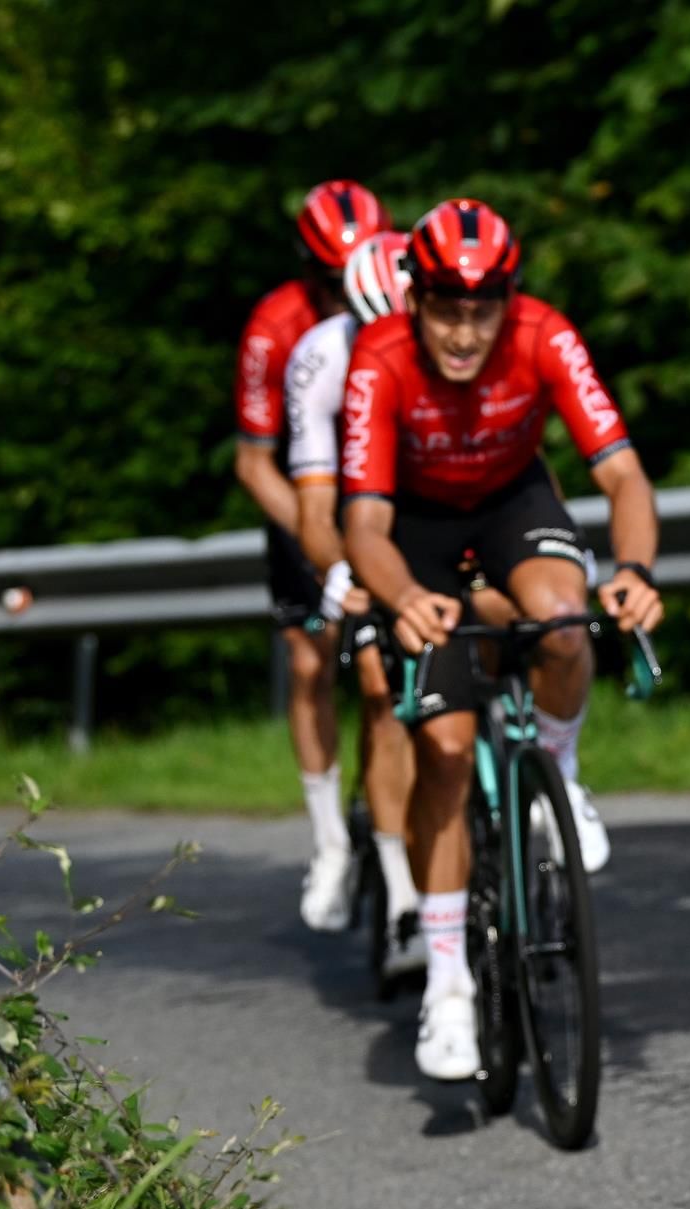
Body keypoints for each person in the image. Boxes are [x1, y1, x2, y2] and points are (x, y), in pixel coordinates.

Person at [340, 199, 664, 1081]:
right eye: (446, 307)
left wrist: (632, 570)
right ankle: (447, 983)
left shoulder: (546, 335)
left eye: (483, 309)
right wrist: (402, 596)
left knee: (564, 620)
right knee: (443, 749)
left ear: (510, 300)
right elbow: (361, 521)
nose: (463, 331)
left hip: (514, 500)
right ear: (416, 298)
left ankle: (556, 769)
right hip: (413, 530)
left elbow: (623, 471)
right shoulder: (379, 359)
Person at [236, 179, 387, 932]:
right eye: (329, 281)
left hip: (383, 489)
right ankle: (330, 839)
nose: (344, 293)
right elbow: (254, 462)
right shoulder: (277, 326)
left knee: (382, 670)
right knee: (310, 659)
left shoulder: (398, 301)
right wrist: (317, 532)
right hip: (305, 496)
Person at [284, 230, 424, 982]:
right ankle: (401, 889)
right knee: (379, 683)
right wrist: (339, 575)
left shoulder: (453, 346)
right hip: (353, 509)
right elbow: (316, 503)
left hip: (431, 501)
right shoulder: (321, 360)